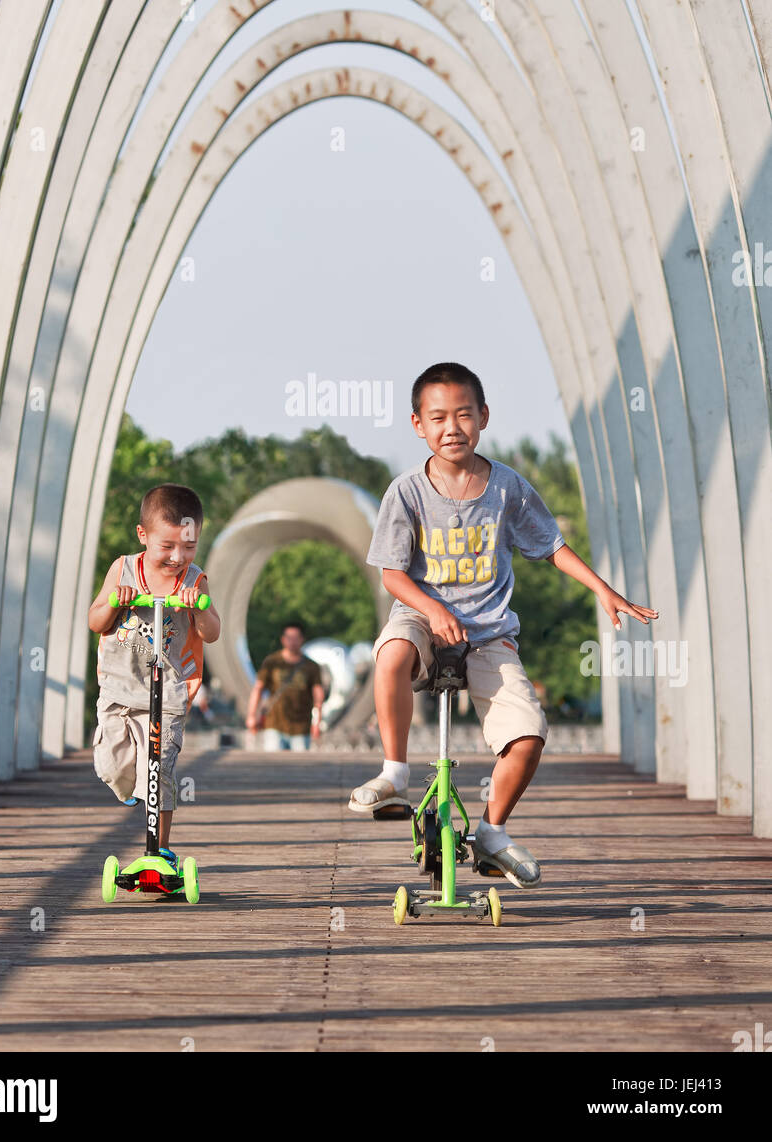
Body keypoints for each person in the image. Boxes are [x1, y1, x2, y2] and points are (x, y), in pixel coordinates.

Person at [349, 362, 657, 889]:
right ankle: (395, 773)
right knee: (391, 654)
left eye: (464, 415)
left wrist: (604, 589)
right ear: (418, 424)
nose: (452, 428)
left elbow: (552, 546)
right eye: (438, 417)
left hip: (488, 633)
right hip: (421, 617)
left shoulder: (507, 488)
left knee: (529, 735)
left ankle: (492, 832)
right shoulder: (406, 492)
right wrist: (435, 609)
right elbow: (392, 577)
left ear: (484, 417)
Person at [88, 482, 221, 871]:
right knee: (113, 768)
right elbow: (95, 621)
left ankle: (159, 851)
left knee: (158, 771)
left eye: (189, 546)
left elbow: (211, 633)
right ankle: (130, 789)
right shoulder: (123, 569)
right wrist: (116, 600)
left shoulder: (194, 580)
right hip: (119, 686)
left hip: (167, 694)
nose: (178, 556)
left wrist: (199, 608)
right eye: (168, 546)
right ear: (143, 536)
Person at [246, 622, 325, 751]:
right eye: (289, 638)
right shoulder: (272, 662)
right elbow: (258, 689)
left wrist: (317, 722)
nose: (292, 642)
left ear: (302, 639)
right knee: (274, 767)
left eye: (296, 638)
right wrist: (251, 715)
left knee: (299, 768)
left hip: (301, 727)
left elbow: (318, 696)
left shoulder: (311, 666)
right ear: (283, 640)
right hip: (274, 725)